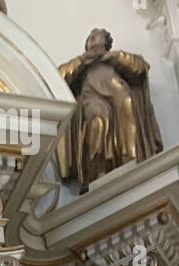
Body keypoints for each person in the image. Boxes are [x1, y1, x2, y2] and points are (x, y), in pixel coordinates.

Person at [57, 29, 163, 188]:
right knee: (97, 122)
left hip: (116, 92)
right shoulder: (84, 63)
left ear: (106, 42)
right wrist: (82, 60)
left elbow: (140, 68)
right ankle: (96, 172)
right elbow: (59, 77)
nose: (92, 38)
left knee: (127, 105)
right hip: (92, 98)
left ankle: (130, 159)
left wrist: (115, 57)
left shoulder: (115, 57)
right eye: (90, 37)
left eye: (97, 35)